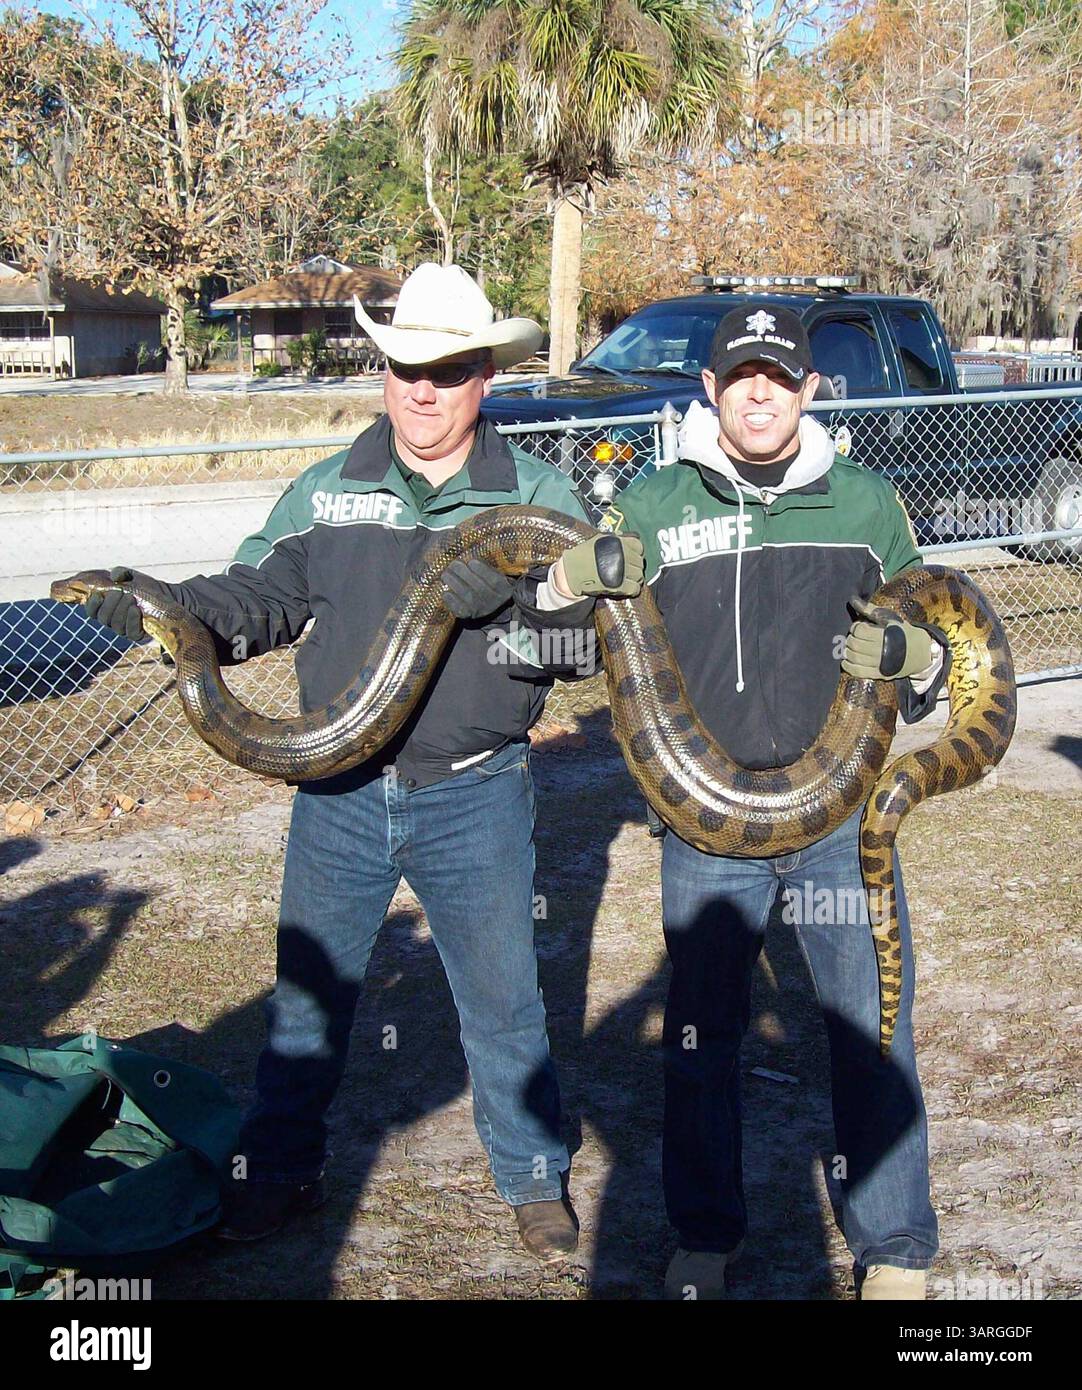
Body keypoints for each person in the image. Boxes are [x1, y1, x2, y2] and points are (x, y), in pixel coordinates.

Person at [83, 262, 644, 1263]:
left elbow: (582, 650)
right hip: (335, 791)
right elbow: (257, 596)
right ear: (383, 372)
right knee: (306, 1001)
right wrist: (176, 614)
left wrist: (507, 603)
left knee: (505, 1003)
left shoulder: (537, 495)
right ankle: (280, 1168)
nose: (423, 390)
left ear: (484, 378)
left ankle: (528, 1177)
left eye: (450, 369)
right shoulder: (329, 488)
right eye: (405, 368)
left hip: (472, 792)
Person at [600, 302, 947, 1301]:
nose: (758, 391)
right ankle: (705, 1235)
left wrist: (914, 659)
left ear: (807, 389)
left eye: (778, 375)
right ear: (707, 388)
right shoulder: (652, 506)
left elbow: (932, 639)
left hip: (839, 822)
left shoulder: (867, 505)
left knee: (871, 1024)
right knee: (702, 1038)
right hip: (706, 828)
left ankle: (891, 1245)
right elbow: (592, 638)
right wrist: (560, 595)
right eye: (739, 374)